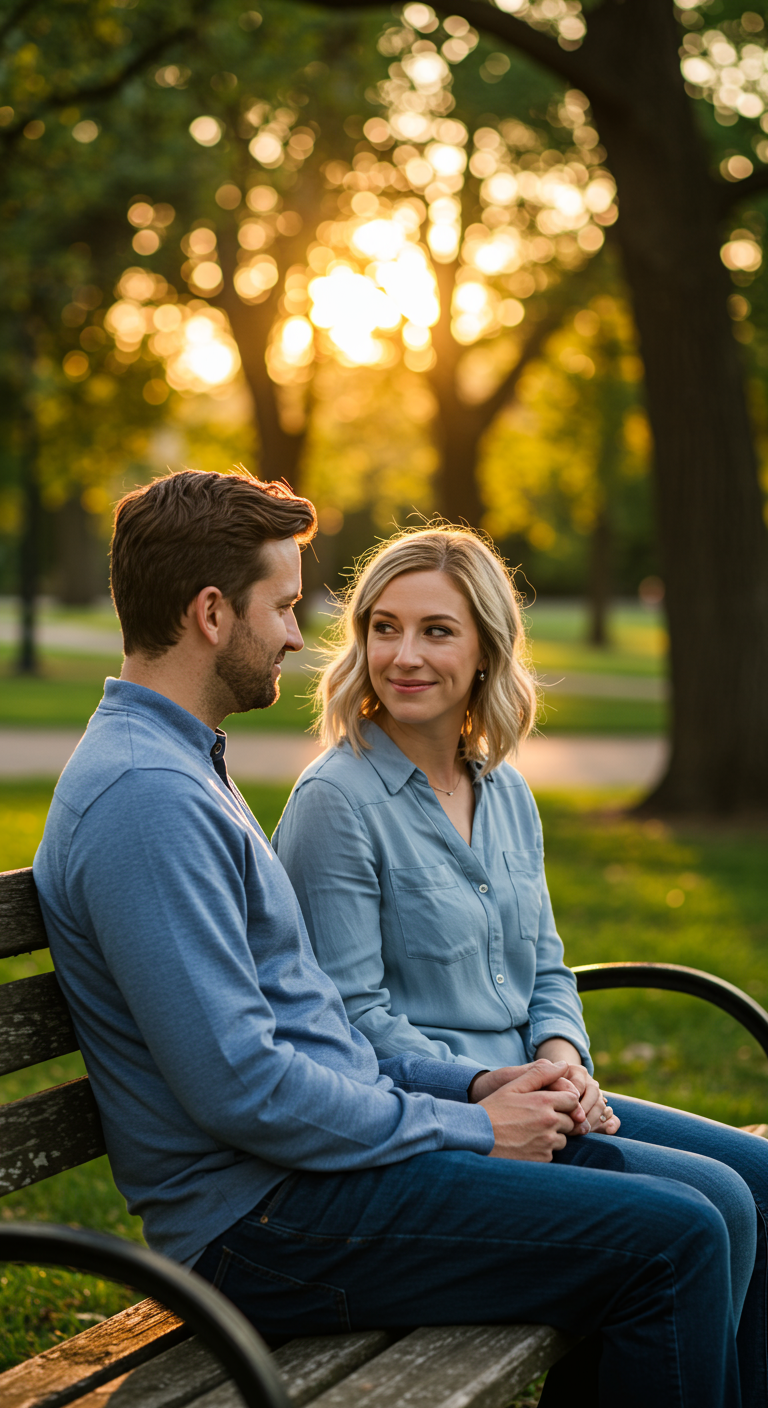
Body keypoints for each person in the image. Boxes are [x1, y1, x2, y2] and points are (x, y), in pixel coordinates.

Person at [32, 473, 753, 1408]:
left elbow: (312, 1032)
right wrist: (473, 1125)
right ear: (212, 613)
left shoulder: (179, 767)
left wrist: (479, 1081)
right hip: (263, 1226)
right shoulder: (146, 799)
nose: (299, 636)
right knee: (679, 1237)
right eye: (284, 607)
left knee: (710, 1211)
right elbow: (244, 1087)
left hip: (318, 1172)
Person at [274, 524, 768, 1403]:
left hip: (540, 1091)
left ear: (486, 649)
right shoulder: (334, 802)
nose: (403, 656)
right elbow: (353, 1022)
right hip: (448, 1123)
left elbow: (546, 970)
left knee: (761, 1180)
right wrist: (509, 1087)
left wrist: (562, 1058)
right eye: (383, 628)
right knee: (713, 1212)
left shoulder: (503, 788)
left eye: (436, 630)